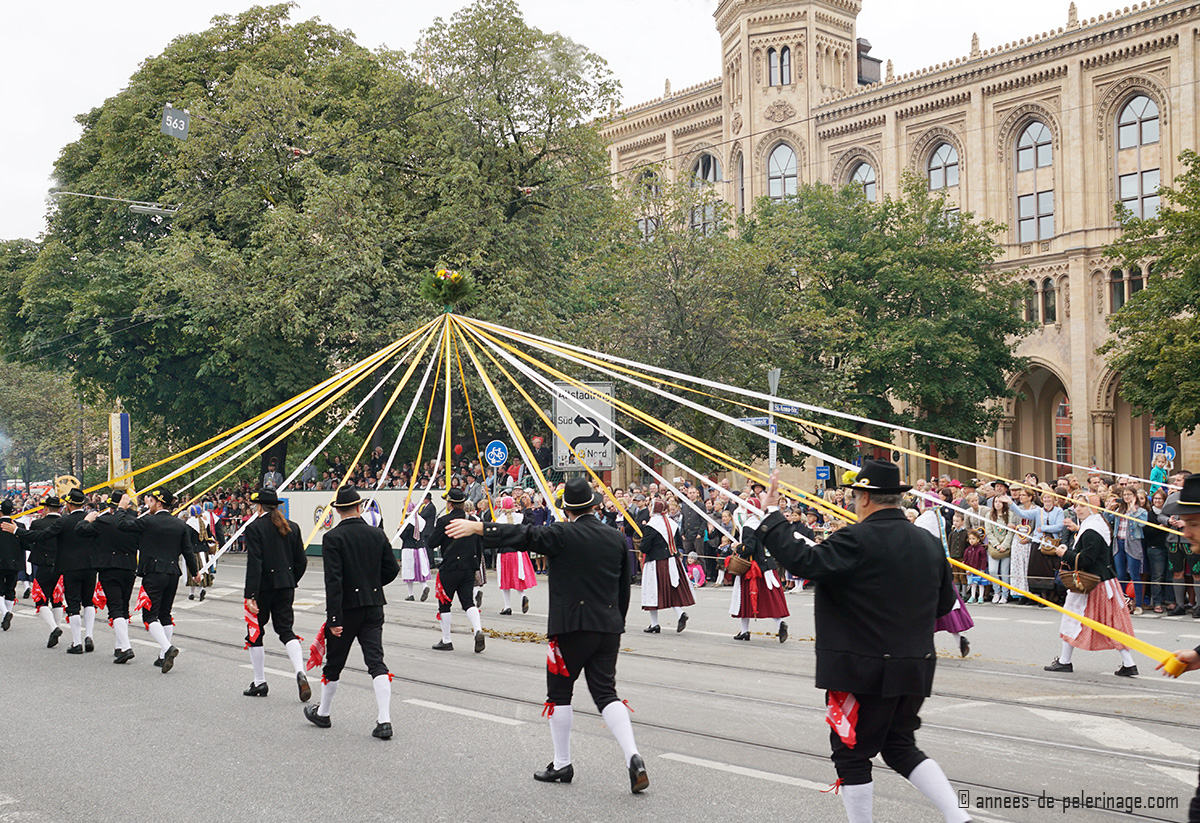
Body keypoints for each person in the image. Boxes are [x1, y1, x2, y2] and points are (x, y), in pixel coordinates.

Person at [758, 461, 965, 823]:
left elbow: (805, 562)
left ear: (866, 497)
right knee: (900, 745)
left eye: (855, 497)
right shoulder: (929, 542)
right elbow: (945, 603)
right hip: (914, 665)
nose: (854, 503)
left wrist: (773, 516)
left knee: (851, 752)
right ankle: (958, 817)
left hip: (862, 668)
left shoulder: (855, 538)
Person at [445, 478, 648, 794]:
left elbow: (523, 535)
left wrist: (479, 528)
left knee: (560, 694)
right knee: (606, 693)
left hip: (570, 628)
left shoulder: (562, 534)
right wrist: (615, 621)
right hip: (608, 626)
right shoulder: (616, 537)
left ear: (566, 508)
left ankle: (562, 763)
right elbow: (624, 589)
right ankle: (633, 755)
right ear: (595, 505)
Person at [306, 486, 399, 738]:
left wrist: (334, 618)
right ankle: (384, 719)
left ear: (337, 511)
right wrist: (372, 584)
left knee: (334, 664)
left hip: (346, 610)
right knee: (376, 662)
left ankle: (323, 713)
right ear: (359, 508)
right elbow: (391, 569)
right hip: (373, 606)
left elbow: (333, 582)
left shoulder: (332, 538)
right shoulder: (376, 534)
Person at [1044, 493, 1139, 677]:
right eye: (1076, 506)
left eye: (1081, 506)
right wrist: (1077, 529)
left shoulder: (1092, 530)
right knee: (1110, 622)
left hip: (1091, 583)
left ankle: (1065, 661)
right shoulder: (1096, 524)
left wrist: (1065, 553)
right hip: (1103, 581)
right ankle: (1128, 663)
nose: (1076, 509)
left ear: (1093, 508)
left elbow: (1087, 559)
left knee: (1075, 618)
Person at [116, 488, 201, 673]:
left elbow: (123, 525)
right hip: (172, 573)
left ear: (159, 503)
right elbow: (188, 551)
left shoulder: (148, 521)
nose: (149, 504)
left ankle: (167, 647)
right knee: (165, 614)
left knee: (149, 616)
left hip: (153, 573)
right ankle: (163, 656)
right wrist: (195, 572)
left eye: (151, 501)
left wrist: (122, 508)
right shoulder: (180, 524)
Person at [242, 489, 311, 702]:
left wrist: (250, 594)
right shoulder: (293, 527)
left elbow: (255, 563)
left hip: (263, 588)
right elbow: (301, 561)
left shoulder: (254, 528)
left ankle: (260, 681)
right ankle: (300, 671)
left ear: (259, 506)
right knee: (286, 630)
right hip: (285, 586)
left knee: (255, 632)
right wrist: (290, 580)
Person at [18, 488, 97, 654]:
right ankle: (89, 636)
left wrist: (17, 531)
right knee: (88, 602)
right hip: (90, 566)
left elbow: (40, 536)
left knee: (73, 604)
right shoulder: (92, 519)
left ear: (68, 504)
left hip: (70, 567)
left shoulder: (64, 522)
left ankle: (77, 643)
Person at [77, 491, 140, 662]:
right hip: (129, 567)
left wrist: (88, 519)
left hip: (109, 568)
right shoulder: (135, 523)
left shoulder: (102, 522)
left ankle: (126, 646)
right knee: (124, 606)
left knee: (115, 608)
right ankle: (119, 645)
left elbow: (80, 530)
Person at [427, 488, 485, 653]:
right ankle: (478, 629)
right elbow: (480, 544)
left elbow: (432, 542)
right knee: (468, 602)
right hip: (469, 566)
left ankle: (447, 640)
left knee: (445, 603)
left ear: (450, 503)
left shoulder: (445, 520)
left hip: (450, 567)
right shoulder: (473, 519)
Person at [729, 498, 789, 643]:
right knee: (770, 598)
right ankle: (779, 624)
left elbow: (749, 548)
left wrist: (737, 546)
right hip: (768, 565)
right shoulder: (765, 524)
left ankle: (745, 631)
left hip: (752, 568)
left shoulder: (749, 526)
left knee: (745, 599)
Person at [639, 499, 693, 634]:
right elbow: (679, 543)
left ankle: (654, 623)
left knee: (653, 591)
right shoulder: (672, 523)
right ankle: (680, 613)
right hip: (672, 561)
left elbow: (644, 547)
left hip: (656, 562)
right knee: (671, 590)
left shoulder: (651, 526)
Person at [495, 496, 536, 615]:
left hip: (504, 552)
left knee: (504, 579)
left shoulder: (499, 520)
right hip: (518, 551)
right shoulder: (520, 517)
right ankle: (522, 595)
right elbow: (532, 521)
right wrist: (527, 508)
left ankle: (507, 606)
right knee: (517, 576)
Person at [397, 504, 431, 601]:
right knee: (420, 570)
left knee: (409, 571)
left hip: (408, 548)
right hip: (420, 548)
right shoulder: (420, 521)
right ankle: (424, 586)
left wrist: (399, 529)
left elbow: (403, 536)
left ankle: (410, 594)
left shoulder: (408, 523)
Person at [0, 499, 24, 632]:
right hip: (15, 561)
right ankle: (6, 615)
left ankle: (5, 614)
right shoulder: (19, 526)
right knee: (10, 589)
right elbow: (26, 545)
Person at [984, 496, 1013, 604]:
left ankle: (1005, 594)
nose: (997, 504)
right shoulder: (989, 515)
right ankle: (997, 591)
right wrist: (996, 545)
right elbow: (989, 532)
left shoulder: (1010, 515)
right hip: (994, 546)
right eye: (995, 502)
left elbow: (1010, 531)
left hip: (1006, 546)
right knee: (993, 570)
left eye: (1000, 502)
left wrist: (1004, 545)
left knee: (1004, 571)